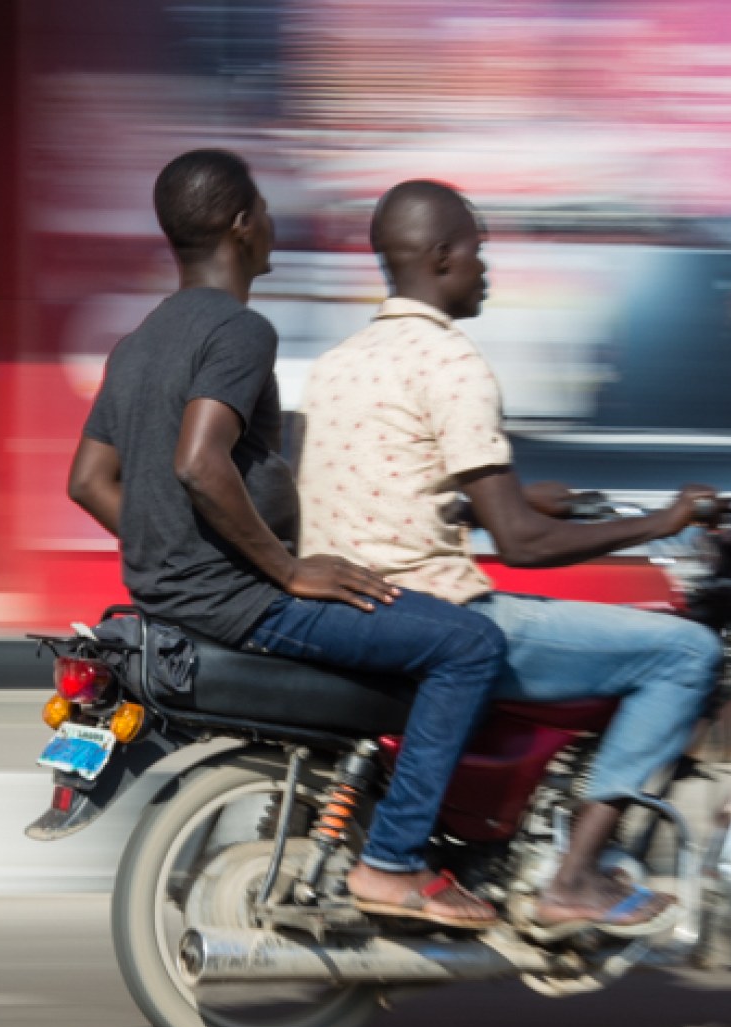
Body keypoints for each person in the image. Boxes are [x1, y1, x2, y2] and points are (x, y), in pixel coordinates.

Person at [68, 151, 506, 930]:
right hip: (247, 604)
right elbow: (200, 462)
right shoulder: (239, 330)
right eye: (264, 209)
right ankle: (395, 864)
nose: (272, 223)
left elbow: (89, 482)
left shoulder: (137, 343)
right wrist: (287, 569)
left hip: (173, 601)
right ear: (241, 225)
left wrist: (169, 542)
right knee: (468, 645)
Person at [294, 179, 723, 937]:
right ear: (439, 257)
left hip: (351, 612)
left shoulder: (340, 363)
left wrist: (508, 500)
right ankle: (577, 877)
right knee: (684, 651)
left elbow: (392, 494)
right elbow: (524, 546)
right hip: (437, 612)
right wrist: (665, 520)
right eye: (477, 253)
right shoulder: (453, 363)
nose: (486, 270)